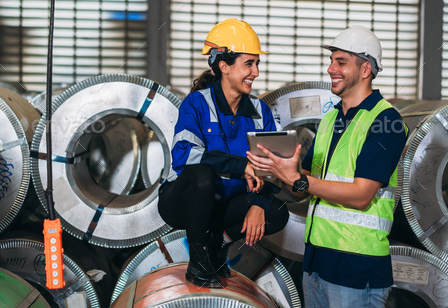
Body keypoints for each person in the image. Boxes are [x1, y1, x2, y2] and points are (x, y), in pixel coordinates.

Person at [247, 25, 408, 307]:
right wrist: (279, 169)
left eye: (341, 62)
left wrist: (299, 180)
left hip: (356, 267)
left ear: (366, 69)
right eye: (331, 60)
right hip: (317, 262)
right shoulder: (331, 119)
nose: (330, 68)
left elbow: (361, 195)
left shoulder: (386, 123)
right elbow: (304, 188)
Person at [158, 18, 289, 288]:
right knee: (202, 174)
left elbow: (272, 169)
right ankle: (199, 260)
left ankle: (220, 242)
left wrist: (257, 205)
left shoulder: (259, 110)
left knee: (277, 211)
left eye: (257, 63)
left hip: (223, 207)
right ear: (224, 66)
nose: (256, 72)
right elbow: (186, 156)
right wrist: (242, 166)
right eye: (249, 63)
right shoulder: (196, 104)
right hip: (184, 203)